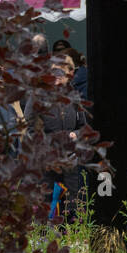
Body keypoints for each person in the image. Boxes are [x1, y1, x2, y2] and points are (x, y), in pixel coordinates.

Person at [41, 52, 88, 222]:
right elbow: (31, 128)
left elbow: (84, 127)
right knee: (47, 205)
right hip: (47, 159)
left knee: (73, 205)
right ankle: (44, 240)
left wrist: (77, 134)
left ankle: (73, 238)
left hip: (71, 159)